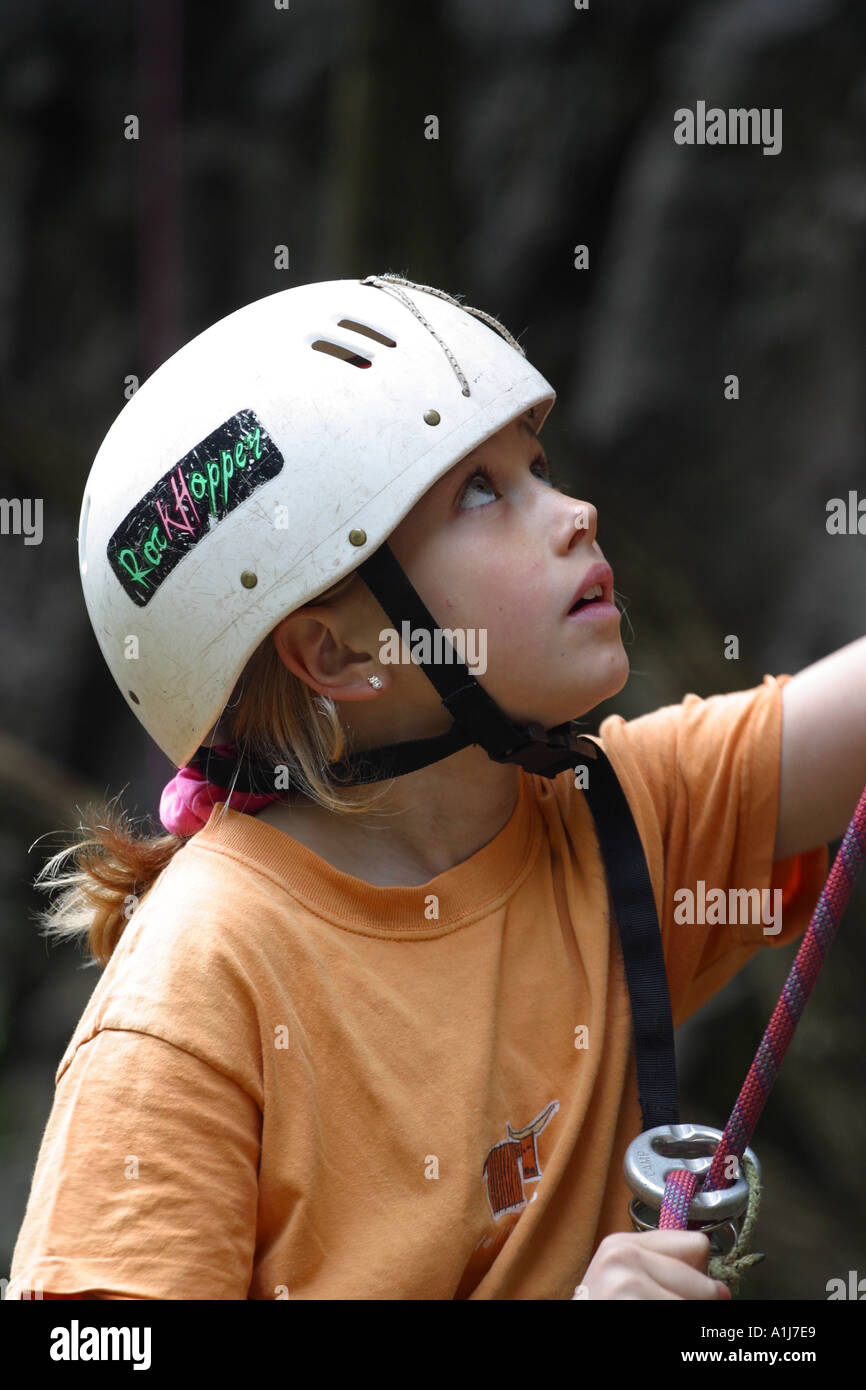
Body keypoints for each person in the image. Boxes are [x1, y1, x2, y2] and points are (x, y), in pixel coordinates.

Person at [5, 273, 834, 1300]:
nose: (573, 512)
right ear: (336, 655)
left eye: (532, 465)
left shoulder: (609, 821)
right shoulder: (200, 990)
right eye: (478, 493)